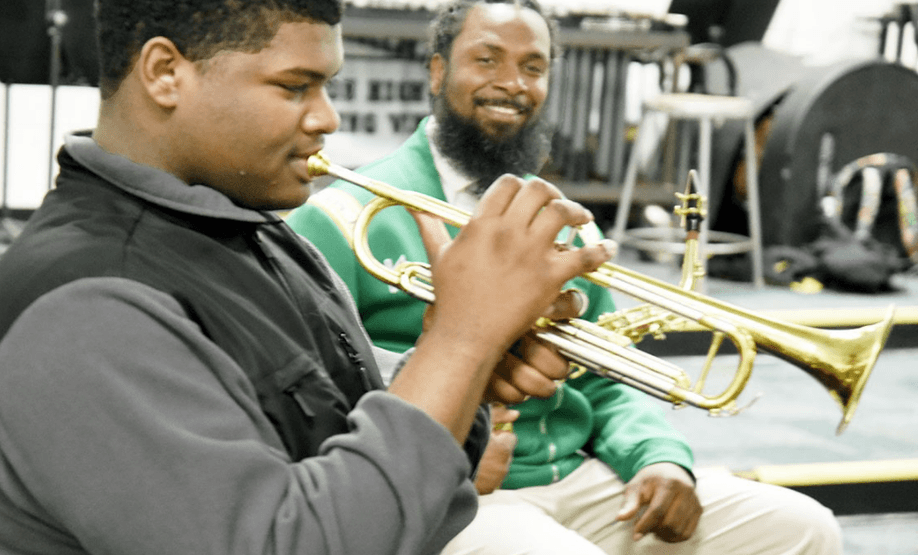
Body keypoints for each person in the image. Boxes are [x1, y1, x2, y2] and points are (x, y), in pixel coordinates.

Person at [0, 0, 615, 553]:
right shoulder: (85, 306)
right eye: (295, 86)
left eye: (327, 86)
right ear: (164, 73)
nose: (327, 118)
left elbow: (369, 479)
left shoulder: (245, 231)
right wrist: (460, 344)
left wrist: (464, 368)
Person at [286, 0, 845, 553]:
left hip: (575, 476)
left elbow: (604, 376)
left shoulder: (565, 223)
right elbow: (312, 391)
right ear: (438, 71)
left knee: (803, 527)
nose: (512, 83)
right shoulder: (343, 215)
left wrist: (661, 457)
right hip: (459, 488)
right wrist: (445, 443)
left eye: (533, 67)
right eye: (487, 60)